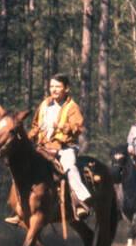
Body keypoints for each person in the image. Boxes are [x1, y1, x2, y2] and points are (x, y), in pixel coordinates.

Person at [32, 74, 91, 221]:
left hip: (65, 147)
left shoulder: (72, 107)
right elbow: (35, 126)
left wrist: (61, 126)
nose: (54, 89)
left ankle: (80, 202)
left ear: (66, 89)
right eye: (52, 86)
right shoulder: (44, 104)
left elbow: (78, 127)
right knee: (26, 165)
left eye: (58, 86)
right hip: (44, 146)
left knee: (69, 167)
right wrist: (28, 138)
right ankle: (20, 207)